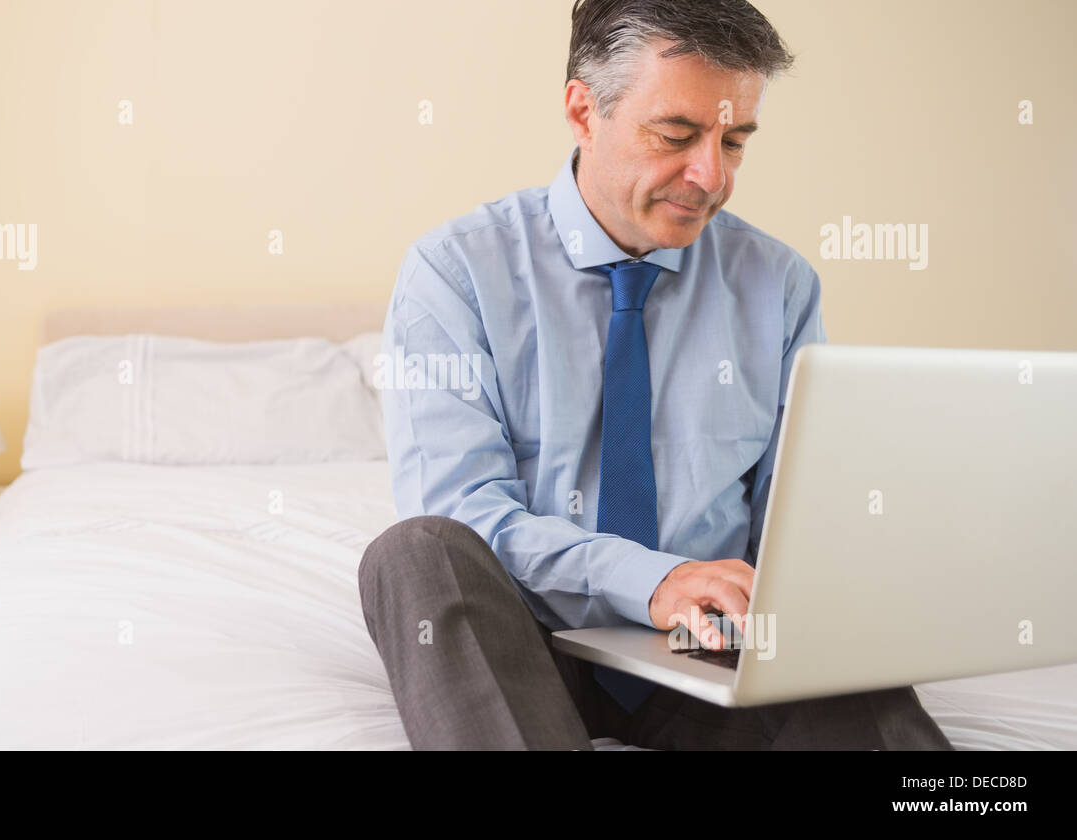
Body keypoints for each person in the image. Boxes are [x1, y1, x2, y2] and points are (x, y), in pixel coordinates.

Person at [358, 0, 953, 750]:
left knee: (828, 628)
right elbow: (467, 510)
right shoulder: (456, 273)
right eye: (677, 135)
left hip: (708, 652)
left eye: (735, 142)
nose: (711, 175)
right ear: (583, 110)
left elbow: (796, 525)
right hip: (523, 643)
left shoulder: (779, 285)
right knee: (415, 552)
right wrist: (650, 580)